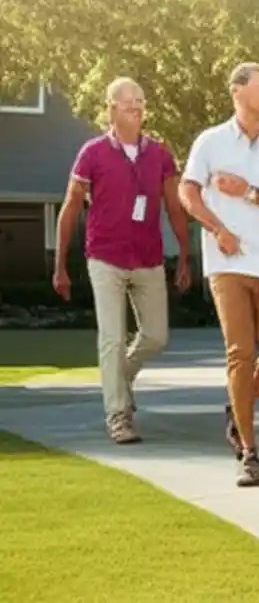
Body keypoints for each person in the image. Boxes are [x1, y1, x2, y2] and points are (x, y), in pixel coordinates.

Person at [179, 62, 259, 487]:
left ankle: (239, 405)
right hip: (228, 265)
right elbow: (187, 191)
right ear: (238, 91)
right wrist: (218, 229)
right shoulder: (210, 141)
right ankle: (250, 453)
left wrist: (249, 192)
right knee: (239, 352)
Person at [54, 77, 190, 444]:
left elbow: (175, 207)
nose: (137, 106)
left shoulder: (160, 155)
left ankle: (119, 377)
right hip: (105, 257)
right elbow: (69, 208)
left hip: (148, 257)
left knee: (156, 336)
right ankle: (118, 415)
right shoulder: (92, 153)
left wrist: (185, 256)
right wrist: (60, 265)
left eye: (141, 100)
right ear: (111, 106)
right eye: (129, 100)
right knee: (111, 338)